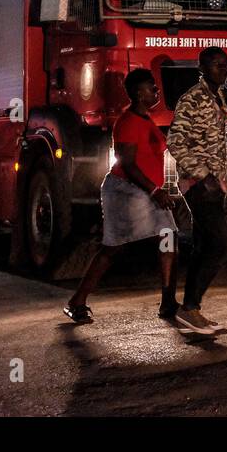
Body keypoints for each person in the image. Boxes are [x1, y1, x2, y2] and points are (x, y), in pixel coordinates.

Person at [64, 69, 178, 325]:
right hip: (126, 190)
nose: (156, 91)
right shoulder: (128, 122)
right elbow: (128, 164)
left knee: (168, 236)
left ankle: (168, 300)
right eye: (152, 88)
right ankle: (77, 301)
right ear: (139, 93)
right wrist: (154, 190)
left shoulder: (145, 118)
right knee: (113, 248)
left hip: (144, 189)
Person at [166, 46, 227, 336]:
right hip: (198, 185)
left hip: (211, 184)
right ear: (203, 68)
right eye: (218, 65)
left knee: (203, 246)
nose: (224, 70)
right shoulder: (192, 99)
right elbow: (175, 142)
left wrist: (218, 179)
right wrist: (204, 176)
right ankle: (189, 307)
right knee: (220, 245)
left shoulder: (216, 96)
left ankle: (191, 311)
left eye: (226, 65)